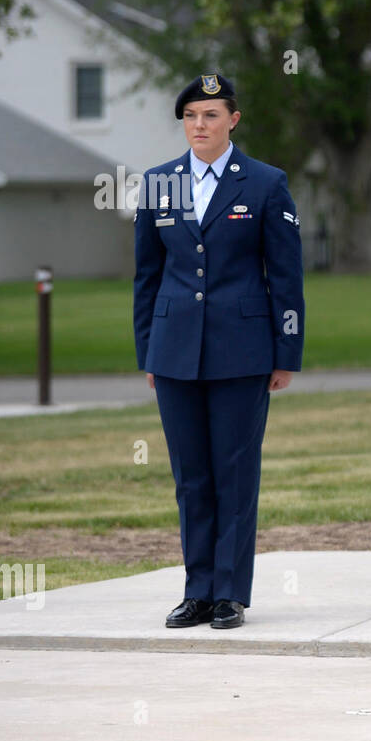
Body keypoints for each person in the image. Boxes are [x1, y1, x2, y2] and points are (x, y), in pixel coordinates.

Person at [134, 73, 305, 630]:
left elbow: (285, 276)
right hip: (175, 349)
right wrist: (149, 352)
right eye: (190, 116)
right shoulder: (160, 184)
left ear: (233, 119)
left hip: (243, 350)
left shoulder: (264, 182)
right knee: (190, 475)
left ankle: (230, 592)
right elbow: (147, 277)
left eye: (210, 115)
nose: (199, 125)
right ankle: (198, 590)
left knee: (234, 471)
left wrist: (286, 352)